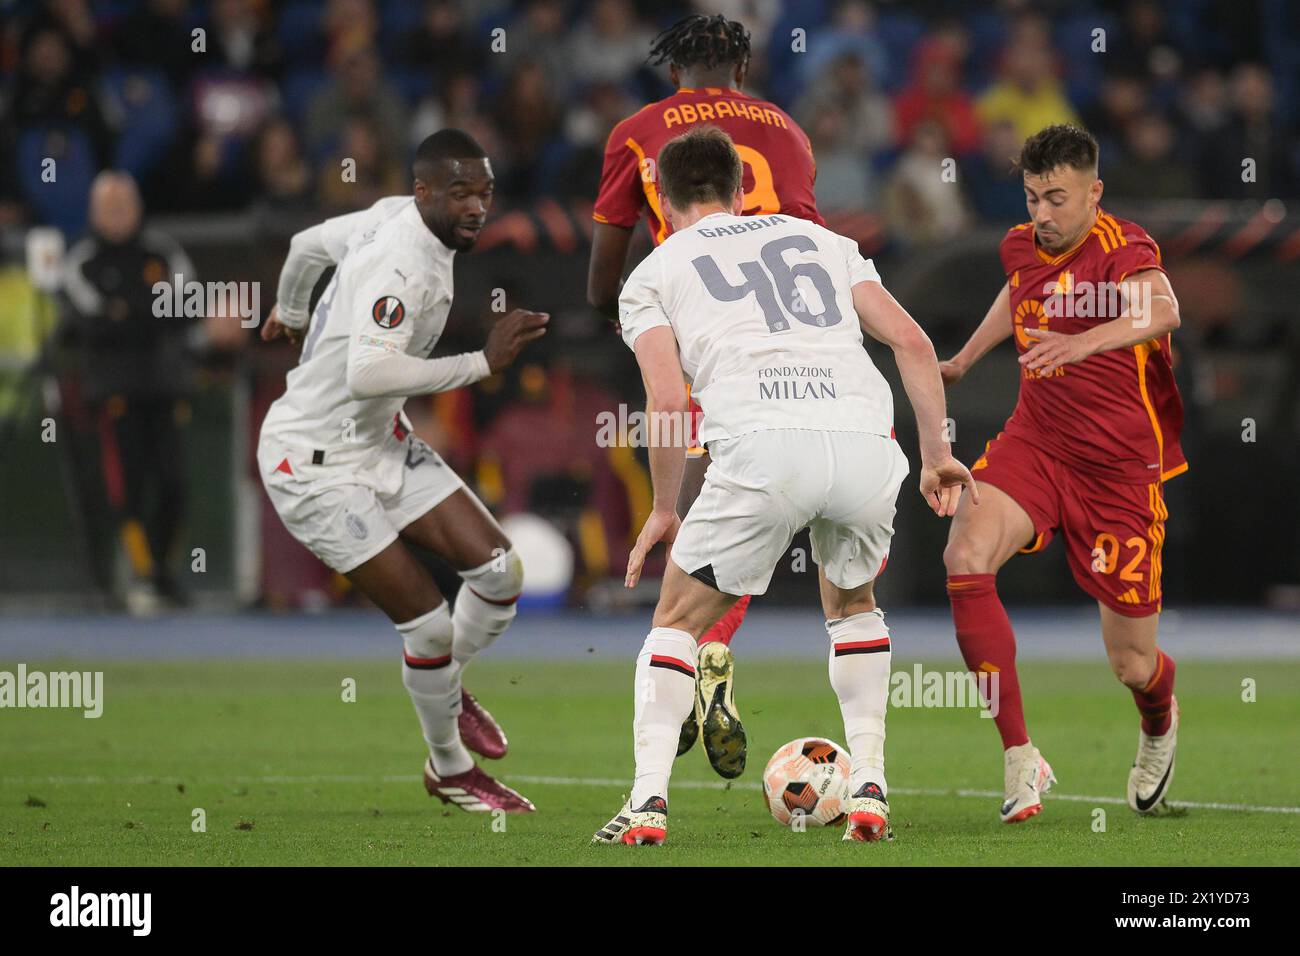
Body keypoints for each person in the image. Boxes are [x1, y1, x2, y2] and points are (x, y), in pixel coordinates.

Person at [592, 126, 976, 846]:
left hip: (764, 445)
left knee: (675, 621)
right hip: (866, 436)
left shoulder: (652, 274)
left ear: (664, 201)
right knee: (854, 605)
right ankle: (869, 787)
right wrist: (936, 455)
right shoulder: (825, 242)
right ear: (742, 191)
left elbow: (670, 405)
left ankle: (647, 805)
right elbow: (915, 344)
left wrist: (666, 509)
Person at [258, 129, 548, 813]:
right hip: (314, 462)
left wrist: (292, 310)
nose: (477, 206)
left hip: (379, 440)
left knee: (500, 572)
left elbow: (304, 248)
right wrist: (481, 363)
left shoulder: (392, 211)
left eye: (484, 191)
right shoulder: (402, 264)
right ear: (424, 193)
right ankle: (449, 767)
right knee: (427, 629)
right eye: (460, 194)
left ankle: (446, 685)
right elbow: (368, 373)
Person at [587, 13, 826, 781]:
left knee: (691, 508)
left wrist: (623, 311)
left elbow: (603, 268)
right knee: (771, 498)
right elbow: (808, 250)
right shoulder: (785, 130)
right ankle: (716, 647)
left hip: (692, 326)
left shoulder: (637, 131)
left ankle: (684, 660)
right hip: (787, 344)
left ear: (672, 72)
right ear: (743, 71)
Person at [939, 124, 1185, 823]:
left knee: (1132, 665)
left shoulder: (1124, 248)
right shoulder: (1020, 244)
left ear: (1093, 193)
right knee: (964, 553)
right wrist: (965, 356)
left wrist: (1081, 343)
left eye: (1056, 198)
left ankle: (1160, 719)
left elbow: (1162, 309)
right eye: (1030, 197)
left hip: (1119, 472)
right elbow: (1017, 291)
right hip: (1038, 444)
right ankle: (1020, 755)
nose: (1041, 214)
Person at [62, 171, 199, 613]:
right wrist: (146, 308)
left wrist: (124, 311)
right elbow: (87, 321)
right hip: (114, 392)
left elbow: (186, 305)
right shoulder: (82, 259)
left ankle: (165, 574)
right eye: (109, 204)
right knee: (128, 487)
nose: (118, 212)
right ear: (93, 211)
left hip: (165, 386)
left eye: (125, 202)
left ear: (138, 206)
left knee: (175, 484)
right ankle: (140, 576)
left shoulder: (162, 251)